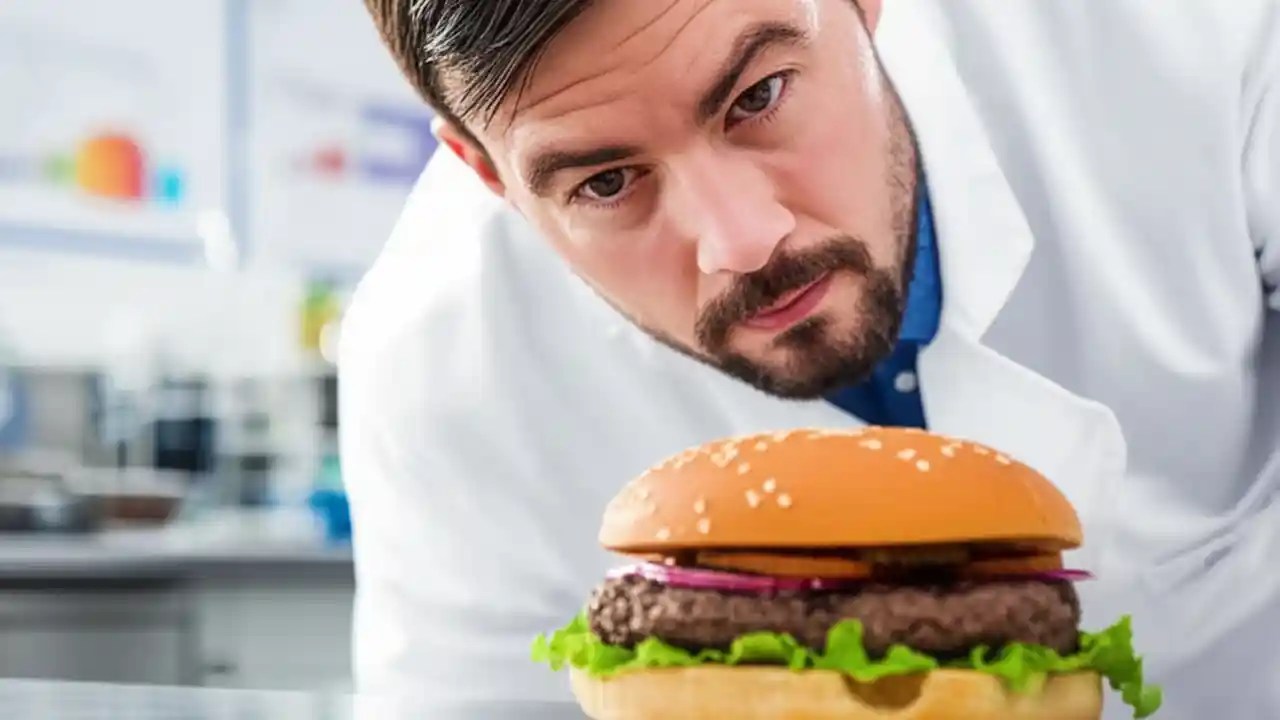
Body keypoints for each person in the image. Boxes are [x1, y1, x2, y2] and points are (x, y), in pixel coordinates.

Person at [339, 0, 1280, 716]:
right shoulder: (438, 363)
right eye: (609, 182)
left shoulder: (1191, 35)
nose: (741, 239)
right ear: (486, 173)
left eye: (759, 96)